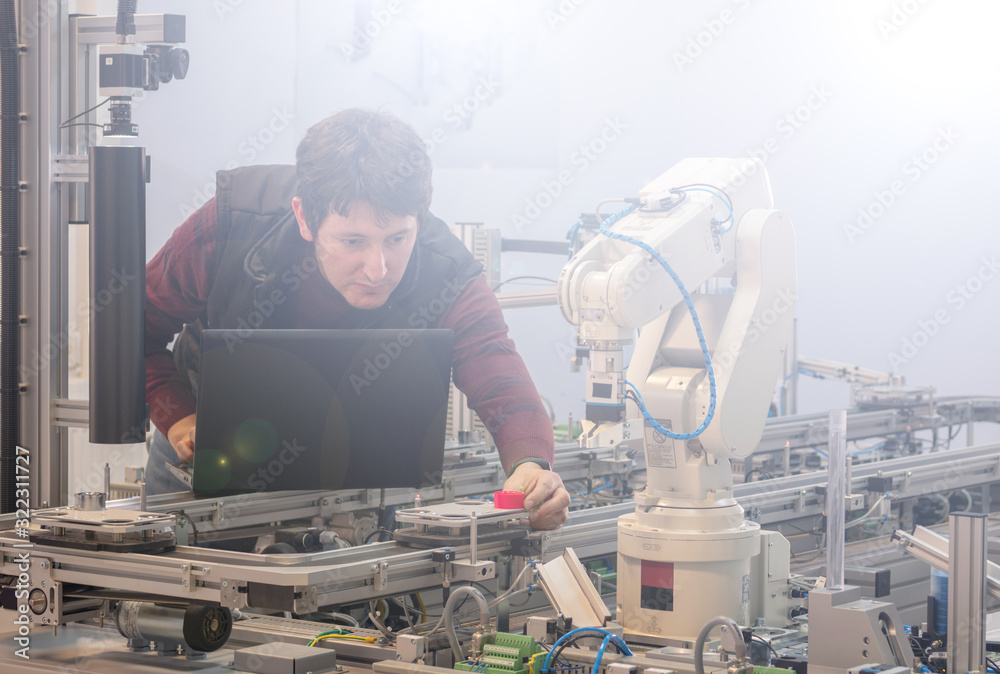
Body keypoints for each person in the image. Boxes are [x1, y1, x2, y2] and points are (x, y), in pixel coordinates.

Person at [144, 108, 570, 529]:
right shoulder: (233, 222)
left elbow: (495, 367)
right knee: (177, 591)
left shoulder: (446, 268)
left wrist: (530, 463)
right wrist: (177, 413)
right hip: (207, 449)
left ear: (417, 220)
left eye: (397, 239)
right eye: (353, 241)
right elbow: (133, 331)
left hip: (357, 461)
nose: (377, 269)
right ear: (304, 217)